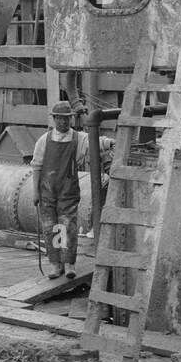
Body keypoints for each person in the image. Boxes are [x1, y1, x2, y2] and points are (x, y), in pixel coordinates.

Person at [30, 100, 112, 280]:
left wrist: (109, 143)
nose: (64, 122)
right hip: (47, 193)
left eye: (67, 119)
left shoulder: (78, 138)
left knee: (67, 228)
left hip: (68, 193)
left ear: (71, 119)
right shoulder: (44, 141)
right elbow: (36, 167)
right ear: (54, 119)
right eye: (60, 119)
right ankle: (55, 264)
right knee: (50, 228)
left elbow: (95, 142)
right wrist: (35, 192)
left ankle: (69, 264)